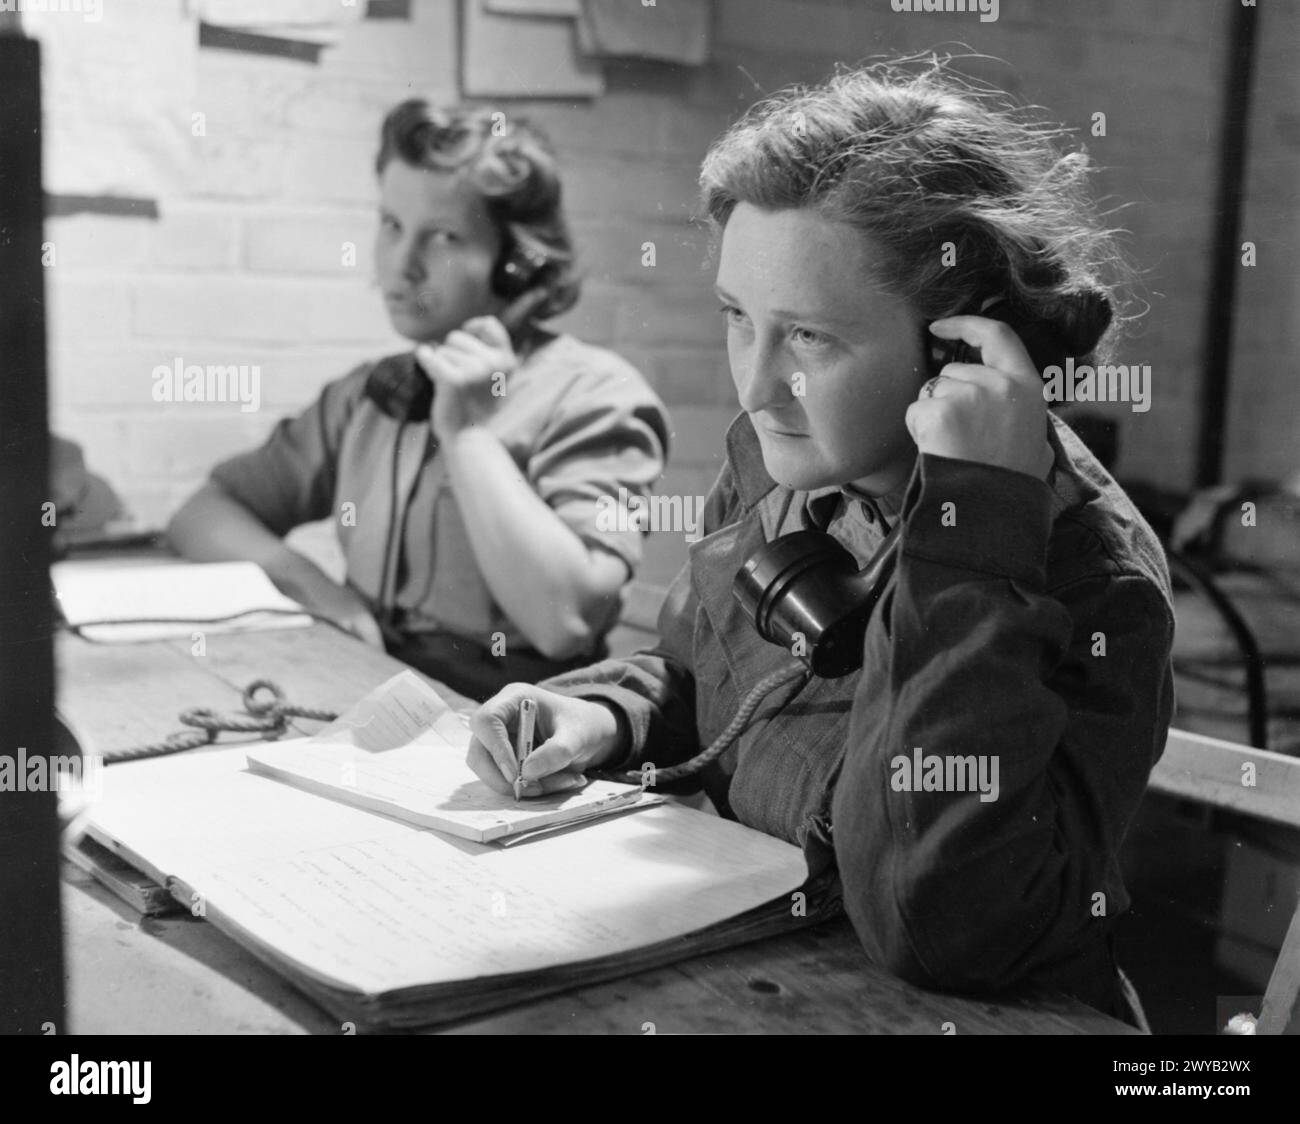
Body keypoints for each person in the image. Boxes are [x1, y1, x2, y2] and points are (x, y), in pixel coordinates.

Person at [464, 59, 1176, 1022]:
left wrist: (969, 528)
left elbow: (940, 920)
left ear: (960, 348)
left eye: (808, 340)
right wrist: (604, 717)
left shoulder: (1090, 573)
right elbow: (699, 674)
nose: (754, 388)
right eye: (737, 321)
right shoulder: (780, 463)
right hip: (767, 978)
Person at [168, 101, 670, 702]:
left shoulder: (594, 395)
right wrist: (318, 588)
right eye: (391, 225)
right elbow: (203, 514)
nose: (401, 266)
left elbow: (563, 623)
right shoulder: (370, 393)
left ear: (516, 263)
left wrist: (467, 435)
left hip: (521, 740)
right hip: (367, 700)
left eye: (443, 236)